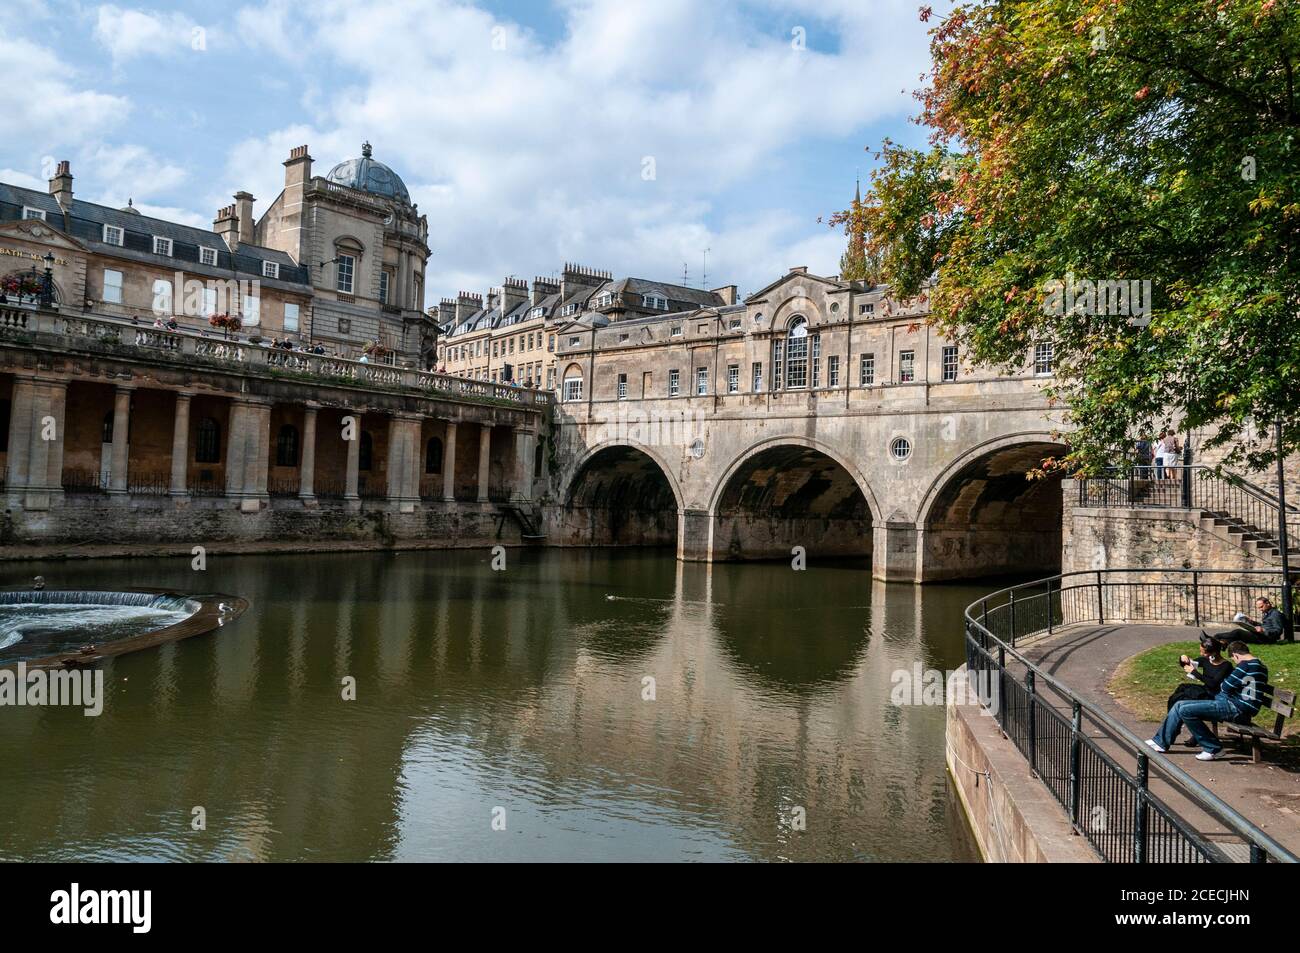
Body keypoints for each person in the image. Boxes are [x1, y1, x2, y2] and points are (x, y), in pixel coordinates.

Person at [1147, 641, 1268, 760]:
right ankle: (1160, 742)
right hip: (1237, 706)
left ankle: (1214, 748)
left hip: (1236, 708)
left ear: (1236, 655)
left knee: (1185, 710)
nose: (1235, 663)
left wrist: (1230, 687)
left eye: (1234, 659)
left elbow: (1225, 687)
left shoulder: (1244, 665)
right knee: (1179, 704)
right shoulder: (1262, 667)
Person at [1164, 633, 1233, 745]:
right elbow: (1189, 664)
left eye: (1203, 652)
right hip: (1204, 690)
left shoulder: (1226, 666)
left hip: (1214, 695)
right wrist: (1183, 658)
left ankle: (1187, 732)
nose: (1201, 654)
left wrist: (1195, 673)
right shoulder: (1206, 660)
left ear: (1214, 652)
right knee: (1179, 692)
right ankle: (1173, 728)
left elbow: (1213, 684)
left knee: (1183, 699)